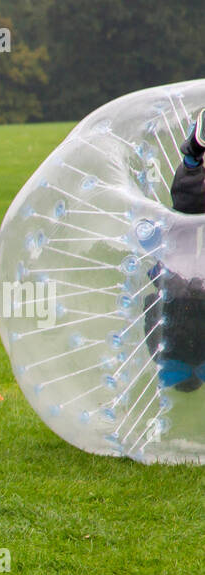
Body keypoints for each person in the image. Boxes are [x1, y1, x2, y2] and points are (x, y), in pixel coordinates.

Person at [145, 109, 205, 392]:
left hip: (184, 274)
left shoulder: (177, 354)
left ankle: (192, 161)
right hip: (180, 269)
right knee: (186, 207)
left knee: (187, 207)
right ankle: (192, 162)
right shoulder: (169, 355)